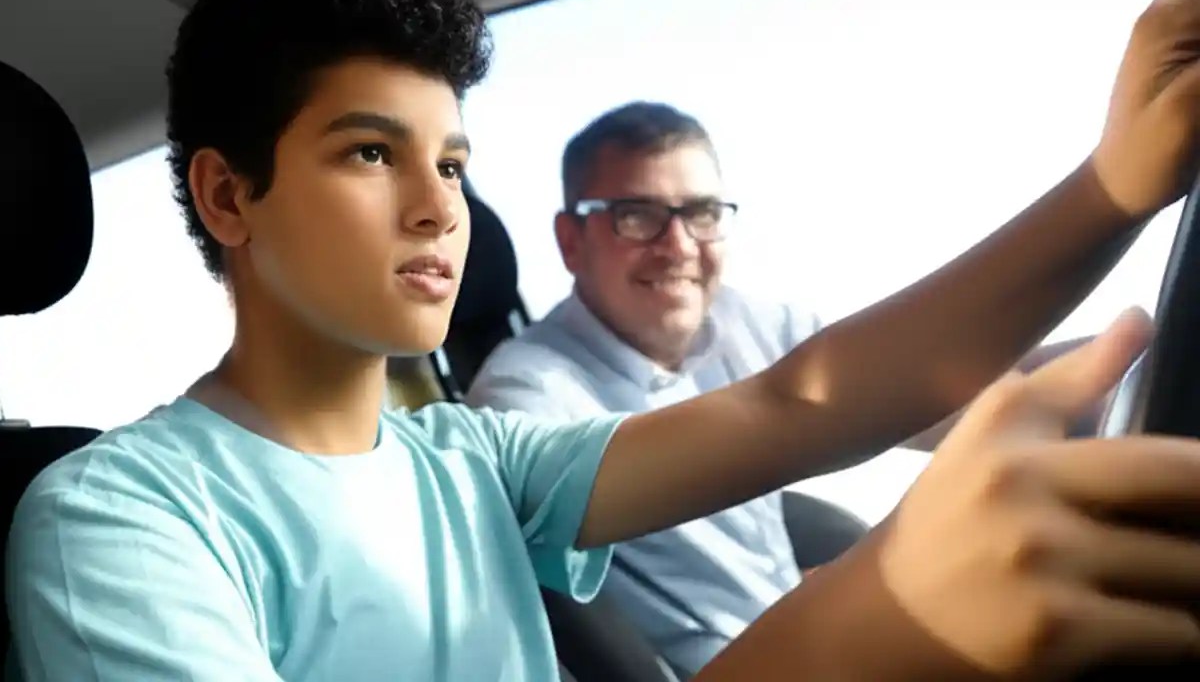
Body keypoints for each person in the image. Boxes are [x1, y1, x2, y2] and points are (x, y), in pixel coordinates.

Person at [4, 0, 1200, 680]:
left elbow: (801, 401)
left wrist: (1108, 187)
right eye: (370, 153)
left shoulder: (470, 460)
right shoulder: (116, 518)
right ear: (229, 195)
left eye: (455, 162)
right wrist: (875, 618)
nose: (438, 207)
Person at [466, 100, 1095, 677]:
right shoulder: (527, 395)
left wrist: (1122, 355)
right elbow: (811, 402)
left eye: (702, 213)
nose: (679, 245)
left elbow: (939, 395)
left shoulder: (751, 325)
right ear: (570, 240)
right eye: (638, 217)